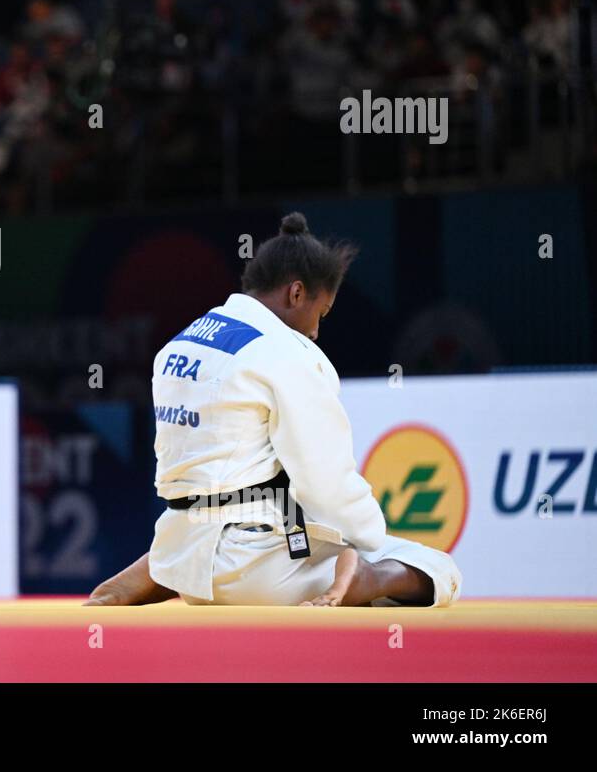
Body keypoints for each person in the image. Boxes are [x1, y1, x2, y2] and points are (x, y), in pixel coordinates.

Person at [86, 213, 462, 607]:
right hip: (255, 570)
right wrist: (370, 540)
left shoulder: (178, 345)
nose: (316, 330)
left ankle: (160, 570)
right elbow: (325, 481)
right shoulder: (286, 352)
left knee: (230, 492)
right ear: (296, 293)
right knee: (435, 566)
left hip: (181, 553)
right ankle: (368, 579)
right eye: (322, 311)